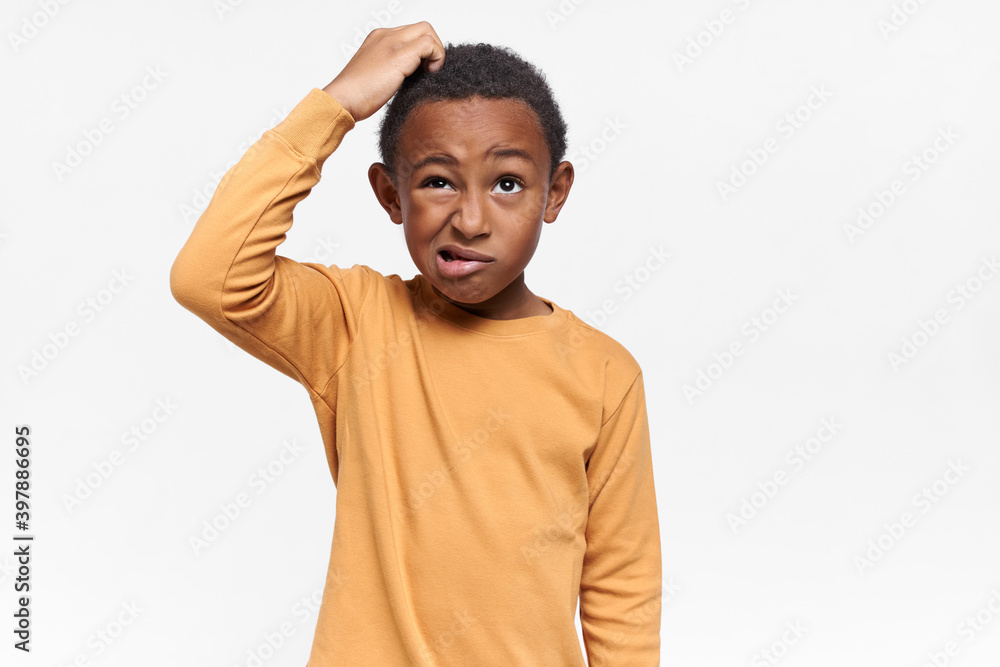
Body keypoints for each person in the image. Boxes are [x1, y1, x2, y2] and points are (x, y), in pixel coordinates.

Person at [170, 21, 661, 666]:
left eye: (507, 182)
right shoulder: (357, 323)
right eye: (438, 182)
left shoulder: (604, 373)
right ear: (389, 194)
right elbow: (210, 276)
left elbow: (621, 585)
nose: (472, 219)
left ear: (555, 192)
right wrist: (336, 107)